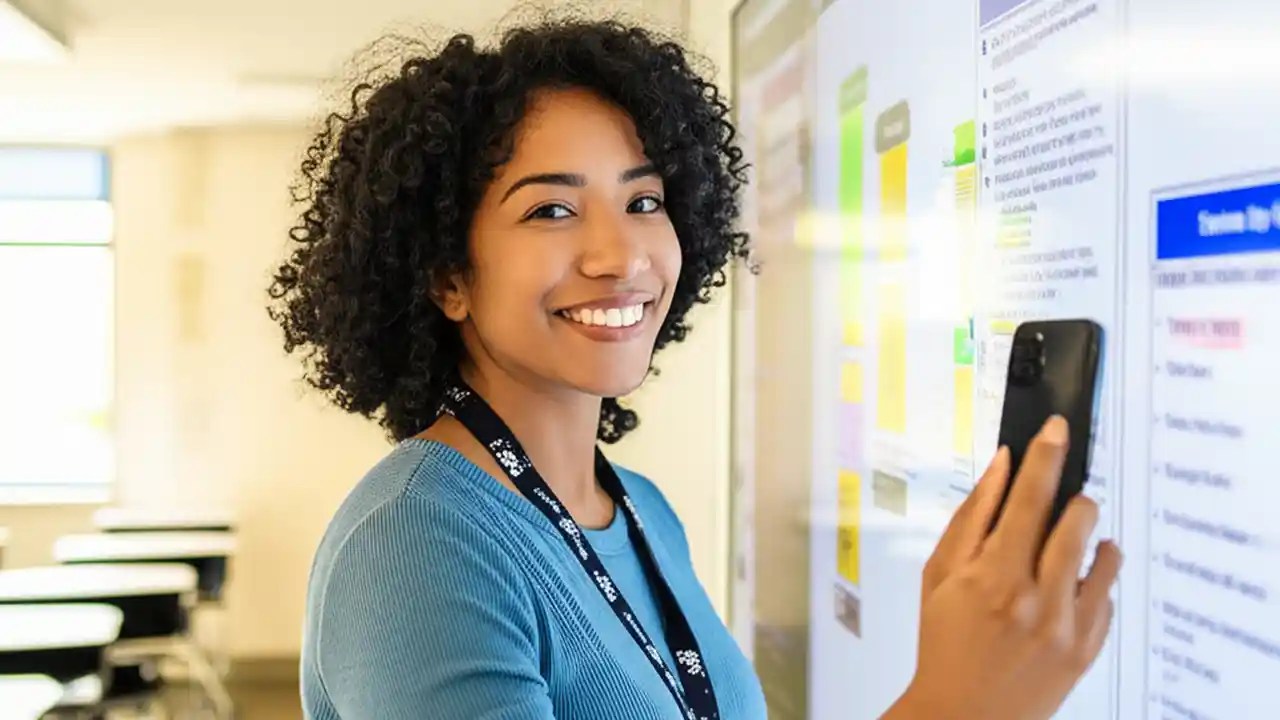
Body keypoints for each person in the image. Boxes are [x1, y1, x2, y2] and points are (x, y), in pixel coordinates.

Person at [269, 17, 1122, 720]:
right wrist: (957, 704)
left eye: (644, 201)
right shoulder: (414, 541)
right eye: (552, 209)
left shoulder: (643, 512)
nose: (620, 253)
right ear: (447, 276)